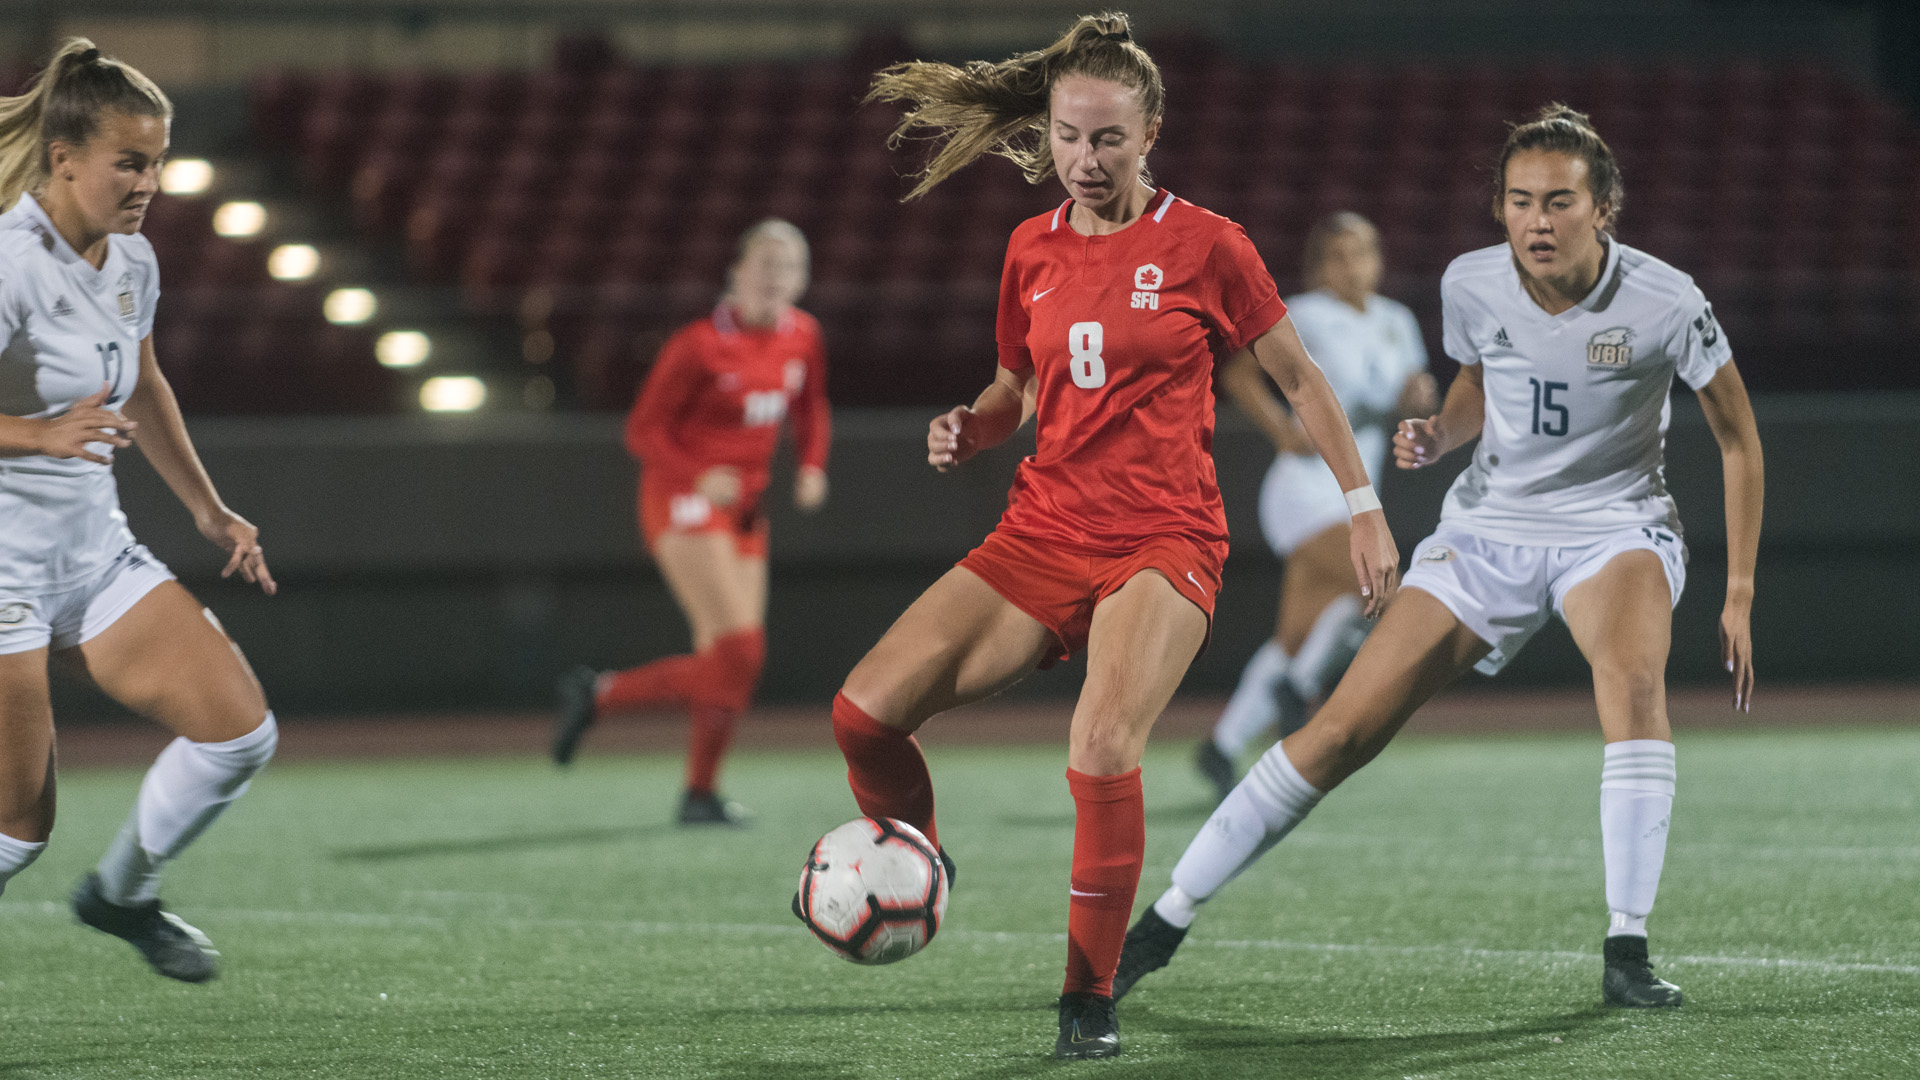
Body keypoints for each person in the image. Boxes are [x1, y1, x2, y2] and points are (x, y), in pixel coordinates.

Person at [813, 14, 1398, 1059]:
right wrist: (971, 425)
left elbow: (1299, 380)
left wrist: (1363, 508)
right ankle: (920, 868)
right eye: (1071, 137)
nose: (1086, 159)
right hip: (1041, 530)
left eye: (1109, 139)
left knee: (1099, 747)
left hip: (1163, 540)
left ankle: (1089, 993)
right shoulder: (1027, 248)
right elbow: (1015, 388)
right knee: (863, 715)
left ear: (1151, 130)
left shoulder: (1209, 244)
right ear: (1049, 131)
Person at [1117, 104, 1764, 1011]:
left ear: (1605, 206)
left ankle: (1627, 946)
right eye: (1519, 201)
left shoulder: (1667, 300)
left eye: (1560, 202)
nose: (1538, 221)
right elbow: (1476, 381)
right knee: (1340, 731)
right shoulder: (1473, 283)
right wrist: (1440, 432)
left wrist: (1736, 591)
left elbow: (1739, 438)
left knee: (1635, 684)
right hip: (1488, 529)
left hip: (1612, 526)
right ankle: (1166, 918)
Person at [0, 40, 282, 982]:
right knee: (17, 830)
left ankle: (119, 893)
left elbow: (145, 383)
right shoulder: (9, 260)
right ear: (64, 156)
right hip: (2, 567)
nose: (149, 181)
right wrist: (36, 436)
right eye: (131, 160)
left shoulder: (132, 260)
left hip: (93, 551)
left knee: (240, 733)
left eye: (157, 160)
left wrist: (207, 509)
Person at [552, 219, 829, 827]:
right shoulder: (697, 345)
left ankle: (695, 792)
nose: (773, 278)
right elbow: (642, 429)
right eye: (763, 265)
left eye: (787, 268)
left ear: (802, 281)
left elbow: (811, 409)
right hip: (682, 502)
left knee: (734, 662)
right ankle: (606, 698)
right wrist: (699, 475)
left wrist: (811, 464)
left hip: (745, 512)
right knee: (740, 649)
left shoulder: (802, 336)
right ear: (735, 273)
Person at [1197, 211, 1436, 803]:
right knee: (1382, 586)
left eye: (1364, 252)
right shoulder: (1302, 314)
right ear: (1319, 264)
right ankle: (1299, 692)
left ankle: (1222, 746)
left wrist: (1418, 400)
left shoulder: (1396, 320)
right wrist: (1281, 429)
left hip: (1354, 492)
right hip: (1305, 487)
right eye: (1340, 254)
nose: (1353, 265)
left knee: (1299, 635)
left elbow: (1411, 395)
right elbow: (1238, 374)